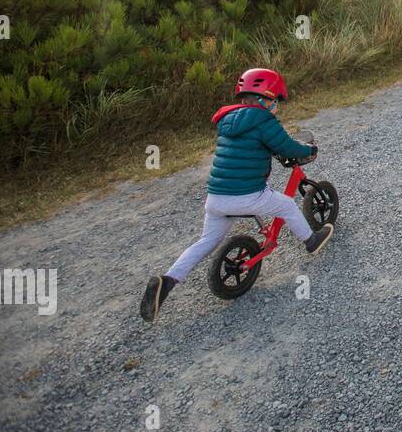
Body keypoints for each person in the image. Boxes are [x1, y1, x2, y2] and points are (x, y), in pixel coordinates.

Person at [139, 68, 332, 323]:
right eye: (276, 101)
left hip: (217, 199)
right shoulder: (263, 120)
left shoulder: (229, 119)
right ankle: (311, 240)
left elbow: (250, 147)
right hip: (246, 196)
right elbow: (287, 147)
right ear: (267, 98)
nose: (277, 107)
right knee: (286, 205)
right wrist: (310, 148)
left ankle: (167, 282)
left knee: (205, 242)